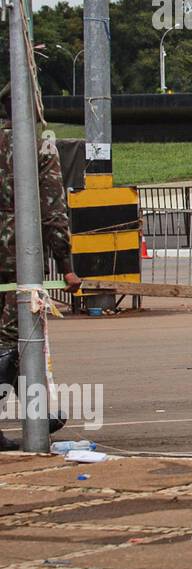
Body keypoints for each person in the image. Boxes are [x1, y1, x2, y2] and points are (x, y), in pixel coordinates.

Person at [0, 83, 81, 450]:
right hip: (18, 259)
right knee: (14, 342)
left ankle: (40, 413)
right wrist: (66, 264)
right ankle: (36, 416)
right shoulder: (39, 144)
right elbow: (52, 207)